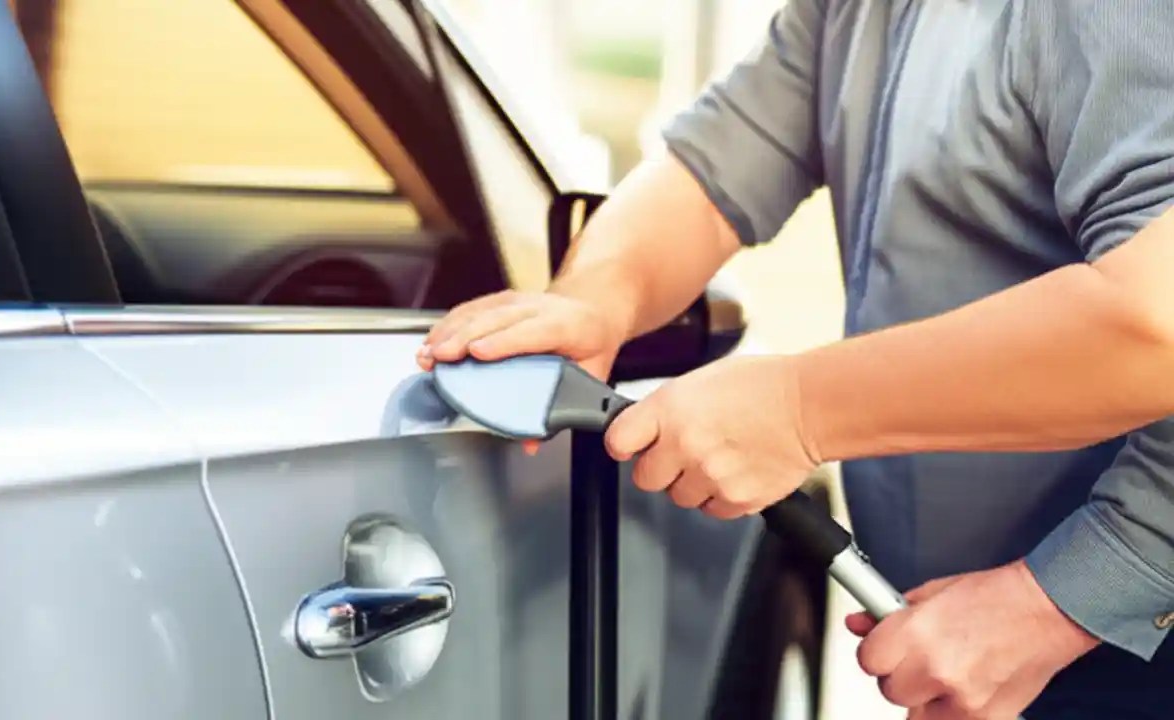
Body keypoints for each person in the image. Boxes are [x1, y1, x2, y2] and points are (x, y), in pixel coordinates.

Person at [418, 1, 1174, 717]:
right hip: (982, 649)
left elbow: (1160, 324)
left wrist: (1056, 603)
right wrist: (595, 300)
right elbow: (713, 165)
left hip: (1123, 643)